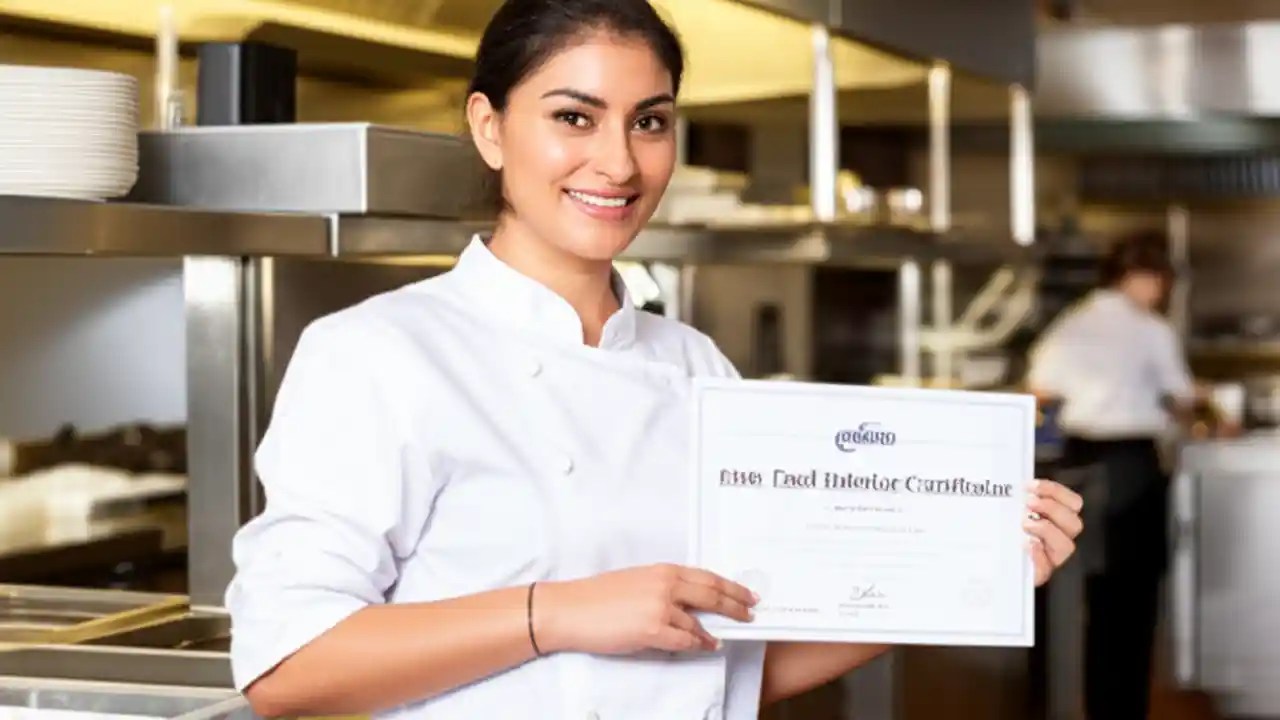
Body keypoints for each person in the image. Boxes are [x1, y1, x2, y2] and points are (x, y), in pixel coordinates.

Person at [225, 1, 1084, 718]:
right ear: (489, 128)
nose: (619, 162)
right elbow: (287, 667)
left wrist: (959, 572)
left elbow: (729, 670)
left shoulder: (694, 364)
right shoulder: (379, 353)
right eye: (574, 117)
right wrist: (560, 613)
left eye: (650, 122)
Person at [1027, 230, 1196, 718]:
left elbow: (1038, 390)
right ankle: (1120, 709)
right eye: (1160, 282)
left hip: (1075, 462)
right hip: (1129, 465)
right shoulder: (1149, 329)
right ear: (1143, 277)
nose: (1160, 294)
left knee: (1071, 591)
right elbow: (1182, 397)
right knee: (1130, 598)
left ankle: (1062, 701)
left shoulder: (1071, 322)